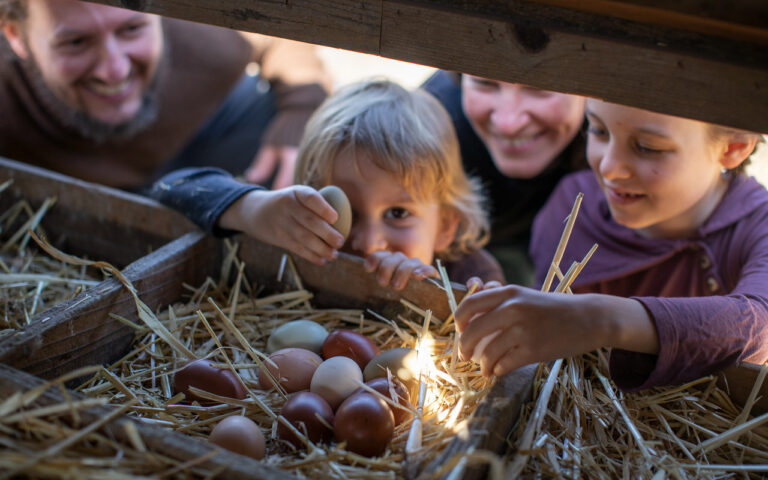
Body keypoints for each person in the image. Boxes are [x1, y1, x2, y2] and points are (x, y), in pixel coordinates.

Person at [455, 99, 768, 391]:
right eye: (598, 130)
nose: (608, 168)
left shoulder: (757, 225)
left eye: (648, 147)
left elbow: (759, 323)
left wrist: (599, 319)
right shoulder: (572, 205)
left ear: (733, 147)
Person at [151, 79, 504, 289]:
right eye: (344, 210)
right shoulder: (288, 229)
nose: (368, 242)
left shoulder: (470, 274)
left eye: (398, 212)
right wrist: (254, 209)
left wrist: (436, 299)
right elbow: (170, 187)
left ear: (445, 226)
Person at [0, 0, 329, 191]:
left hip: (207, 132)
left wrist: (302, 111)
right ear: (16, 36)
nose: (115, 69)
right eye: (75, 42)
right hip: (62, 184)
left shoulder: (207, 34)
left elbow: (281, 31)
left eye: (132, 28)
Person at [423, 71, 588, 286]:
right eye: (484, 82)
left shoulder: (616, 139)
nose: (508, 124)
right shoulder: (431, 132)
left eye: (540, 87)